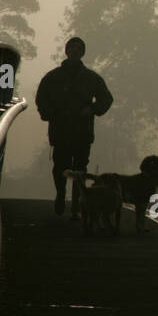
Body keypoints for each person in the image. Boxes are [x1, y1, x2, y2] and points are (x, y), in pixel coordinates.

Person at [35, 36, 114, 219]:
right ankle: (61, 194)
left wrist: (92, 109)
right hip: (60, 130)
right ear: (67, 51)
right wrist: (49, 113)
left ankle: (77, 203)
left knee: (80, 169)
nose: (75, 51)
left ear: (82, 53)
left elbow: (106, 99)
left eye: (79, 49)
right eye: (72, 48)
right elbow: (42, 99)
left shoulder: (91, 78)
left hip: (82, 131)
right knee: (59, 167)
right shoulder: (52, 77)